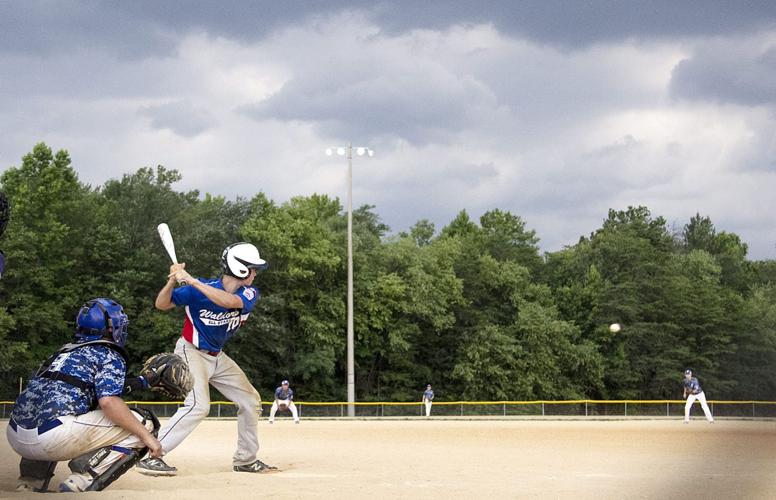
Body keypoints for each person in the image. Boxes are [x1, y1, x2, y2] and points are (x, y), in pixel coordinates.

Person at [137, 242, 276, 476]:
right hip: (191, 351)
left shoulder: (248, 292)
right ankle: (153, 455)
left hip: (217, 356)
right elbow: (161, 304)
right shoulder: (197, 290)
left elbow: (228, 302)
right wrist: (173, 279)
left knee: (250, 402)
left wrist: (191, 280)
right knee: (198, 406)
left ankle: (245, 460)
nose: (254, 273)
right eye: (251, 268)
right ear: (238, 268)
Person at [6, 298, 162, 492]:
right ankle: (80, 480)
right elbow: (108, 401)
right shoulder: (108, 353)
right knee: (144, 422)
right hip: (52, 438)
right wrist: (148, 438)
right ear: (110, 328)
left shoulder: (62, 352)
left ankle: (30, 481)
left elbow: (86, 388)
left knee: (47, 413)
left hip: (15, 435)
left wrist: (142, 382)